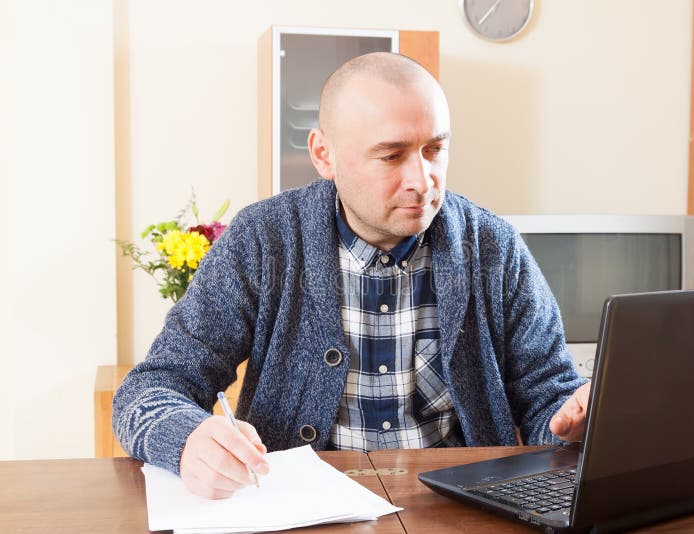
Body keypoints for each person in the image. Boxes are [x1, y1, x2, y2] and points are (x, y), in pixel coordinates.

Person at [113, 52, 590, 500]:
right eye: (391, 155)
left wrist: (578, 416)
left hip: (457, 506)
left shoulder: (493, 246)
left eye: (434, 149)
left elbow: (550, 396)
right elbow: (150, 390)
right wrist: (186, 439)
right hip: (300, 508)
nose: (421, 180)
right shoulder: (263, 240)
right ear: (324, 154)